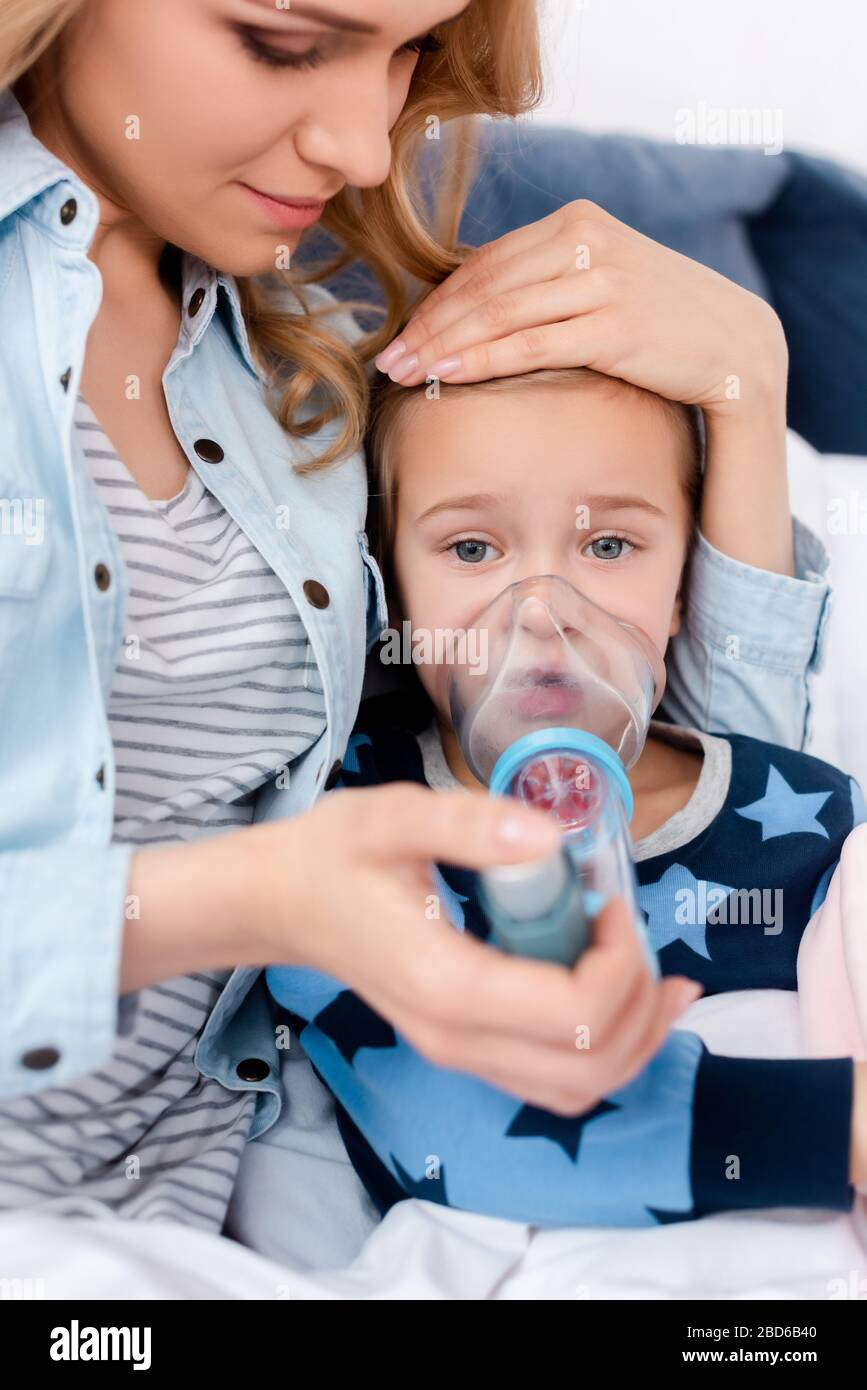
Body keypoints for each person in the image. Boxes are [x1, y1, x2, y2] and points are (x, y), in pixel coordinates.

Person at [0, 0, 834, 1272]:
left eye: (406, 54)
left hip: (197, 1234)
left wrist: (747, 371)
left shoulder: (316, 366)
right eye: (285, 42)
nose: (368, 149)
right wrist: (260, 903)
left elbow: (679, 789)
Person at [265, 361, 867, 1227]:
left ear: (682, 589)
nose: (542, 613)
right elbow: (461, 1140)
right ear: (392, 592)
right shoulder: (351, 821)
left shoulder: (803, 809)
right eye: (471, 549)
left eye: (608, 546)